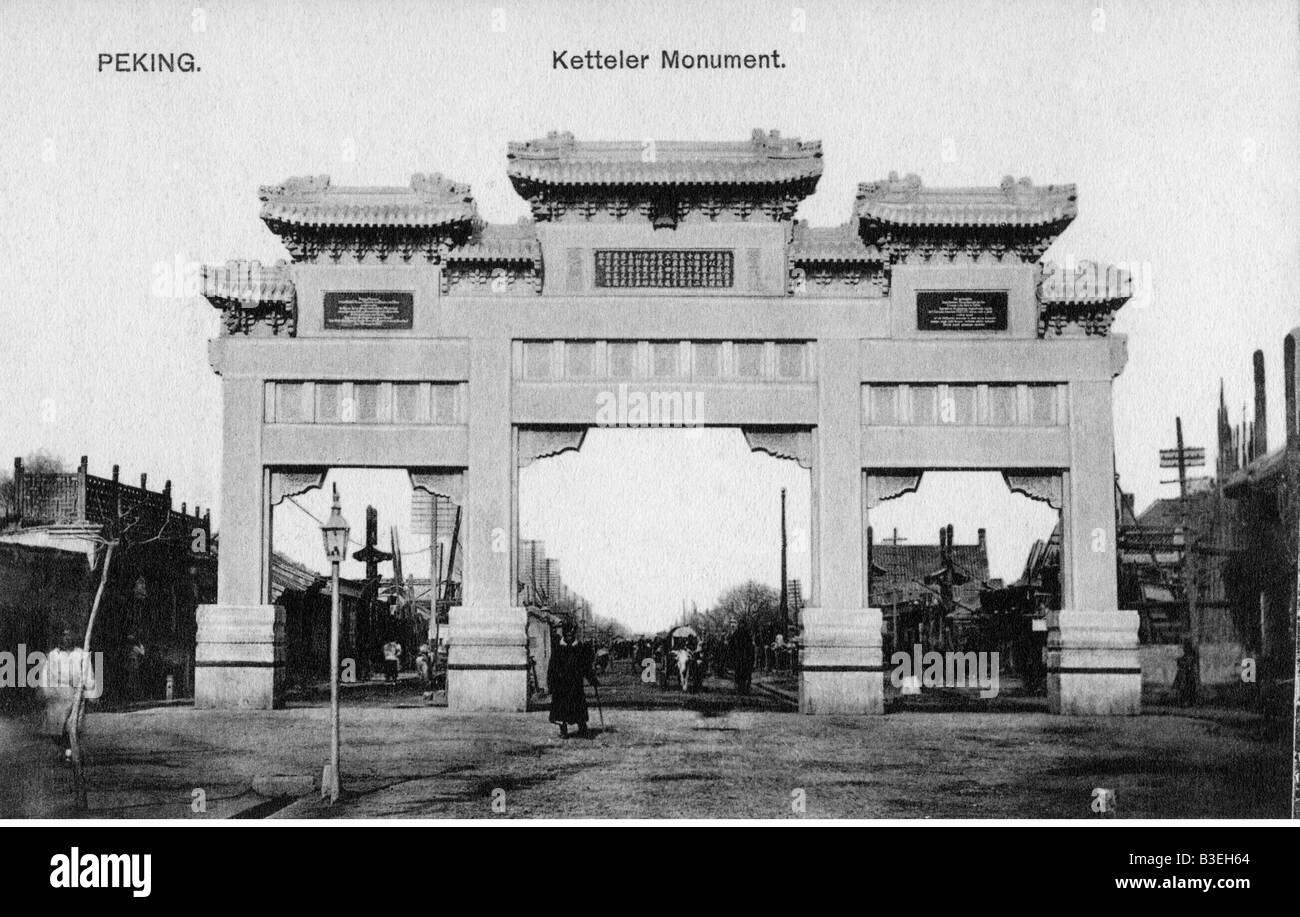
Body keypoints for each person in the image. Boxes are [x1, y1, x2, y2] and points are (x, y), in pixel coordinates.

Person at [547, 621, 598, 738]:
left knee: (578, 707)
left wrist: (592, 679)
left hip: (575, 684)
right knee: (561, 709)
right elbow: (552, 668)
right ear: (564, 633)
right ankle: (563, 730)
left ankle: (583, 729)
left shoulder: (579, 647)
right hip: (561, 685)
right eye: (567, 632)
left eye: (572, 632)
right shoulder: (558, 648)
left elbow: (585, 666)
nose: (570, 634)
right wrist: (551, 684)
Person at [728, 618, 755, 695]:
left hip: (742, 657)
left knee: (742, 673)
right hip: (741, 657)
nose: (742, 626)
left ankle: (742, 688)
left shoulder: (741, 634)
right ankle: (741, 688)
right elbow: (731, 646)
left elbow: (750, 647)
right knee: (741, 673)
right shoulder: (742, 634)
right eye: (741, 624)